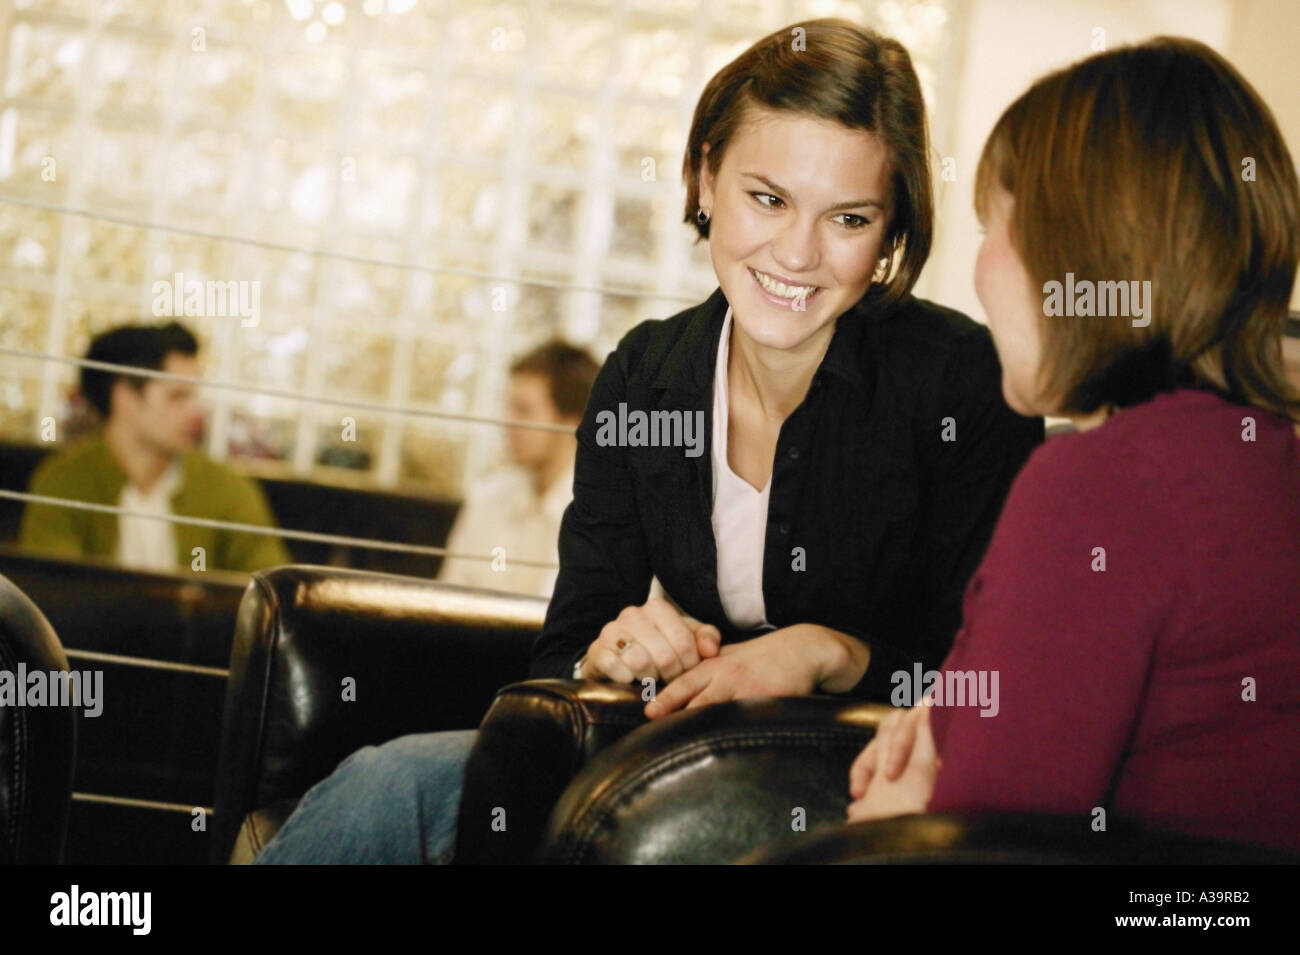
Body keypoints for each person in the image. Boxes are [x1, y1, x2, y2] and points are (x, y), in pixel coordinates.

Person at [253, 18, 1042, 865]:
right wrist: (614, 651)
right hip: (658, 758)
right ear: (705, 177)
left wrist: (835, 654)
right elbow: (563, 653)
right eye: (767, 198)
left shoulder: (966, 384)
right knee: (387, 783)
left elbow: (996, 690)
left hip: (866, 785)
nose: (798, 253)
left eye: (848, 217)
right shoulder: (644, 374)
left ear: (890, 232)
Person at [846, 37, 1300, 853]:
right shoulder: (1260, 459)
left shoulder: (1100, 485)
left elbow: (986, 848)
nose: (981, 271)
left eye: (997, 228)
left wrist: (902, 830)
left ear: (1075, 255)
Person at [19, 321, 290, 575]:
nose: (196, 412)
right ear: (124, 397)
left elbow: (272, 592)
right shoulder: (63, 482)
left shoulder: (226, 489)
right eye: (177, 397)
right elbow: (54, 594)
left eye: (194, 396)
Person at [438, 341, 599, 598]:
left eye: (524, 411)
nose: (507, 421)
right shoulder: (487, 498)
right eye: (510, 407)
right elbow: (444, 607)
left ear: (572, 422)